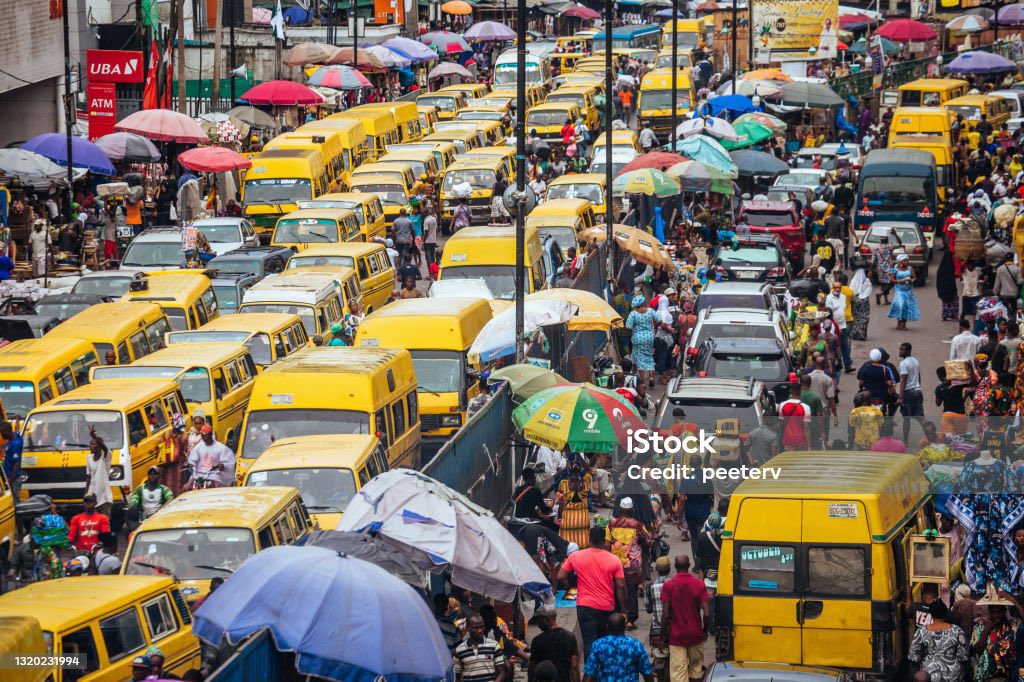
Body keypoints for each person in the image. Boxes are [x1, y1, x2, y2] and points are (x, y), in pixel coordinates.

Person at [557, 526, 627, 659]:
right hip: (606, 607)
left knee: (589, 642)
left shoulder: (575, 556)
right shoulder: (614, 560)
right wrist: (624, 609)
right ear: (604, 541)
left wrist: (572, 584)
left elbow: (561, 576)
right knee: (604, 641)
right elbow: (621, 586)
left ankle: (590, 669)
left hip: (584, 606)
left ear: (589, 539)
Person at [661, 555, 710, 682]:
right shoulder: (699, 585)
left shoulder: (668, 586)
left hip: (677, 636)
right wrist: (705, 630)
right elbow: (707, 613)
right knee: (696, 671)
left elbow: (665, 614)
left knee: (678, 674)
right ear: (689, 566)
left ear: (675, 566)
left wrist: (662, 636)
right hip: (695, 634)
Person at [607, 497, 652, 628]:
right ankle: (630, 620)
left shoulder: (611, 524)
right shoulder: (637, 525)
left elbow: (607, 543)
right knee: (632, 590)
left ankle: (618, 616)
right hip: (632, 564)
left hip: (615, 563)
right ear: (632, 510)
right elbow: (648, 540)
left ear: (620, 510)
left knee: (617, 588)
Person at [908, 599, 969, 682]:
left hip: (929, 675)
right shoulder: (957, 630)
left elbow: (913, 656)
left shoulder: (922, 631)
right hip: (953, 676)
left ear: (931, 614)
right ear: (946, 613)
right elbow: (963, 656)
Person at [583, 612, 652, 682]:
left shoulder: (598, 644)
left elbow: (589, 672)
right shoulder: (635, 644)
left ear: (607, 626)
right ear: (624, 626)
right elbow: (647, 672)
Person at [529, 604, 581, 682]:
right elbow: (574, 666)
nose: (538, 624)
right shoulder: (570, 637)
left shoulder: (537, 640)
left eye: (539, 620)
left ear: (545, 619)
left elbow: (533, 667)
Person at [454, 614, 506, 682]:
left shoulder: (494, 646)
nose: (480, 630)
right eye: (476, 628)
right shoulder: (459, 650)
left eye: (482, 627)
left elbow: (501, 673)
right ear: (468, 627)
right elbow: (457, 678)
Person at [626, 295, 658, 389]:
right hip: (649, 337)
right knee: (649, 356)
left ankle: (643, 383)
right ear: (643, 302)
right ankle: (651, 377)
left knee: (640, 360)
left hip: (638, 338)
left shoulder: (633, 314)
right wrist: (653, 328)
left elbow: (628, 326)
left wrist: (635, 329)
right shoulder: (650, 311)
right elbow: (659, 319)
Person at [83, 428, 112, 517]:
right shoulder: (88, 458)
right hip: (92, 496)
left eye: (94, 444)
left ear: (99, 446)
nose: (91, 446)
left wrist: (95, 437)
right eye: (91, 444)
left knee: (104, 519)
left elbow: (105, 448)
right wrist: (86, 493)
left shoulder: (105, 456)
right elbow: (88, 476)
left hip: (104, 496)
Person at [899, 342, 924, 442]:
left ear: (908, 351)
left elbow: (903, 380)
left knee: (906, 419)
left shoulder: (903, 363)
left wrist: (900, 397)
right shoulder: (915, 361)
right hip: (917, 392)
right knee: (920, 417)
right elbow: (919, 377)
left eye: (902, 349)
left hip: (908, 393)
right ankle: (932, 438)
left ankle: (905, 442)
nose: (900, 351)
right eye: (900, 349)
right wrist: (918, 387)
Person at [778, 381, 812, 451]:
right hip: (801, 442)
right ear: (800, 391)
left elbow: (782, 423)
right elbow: (806, 427)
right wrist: (808, 445)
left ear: (790, 391)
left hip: (788, 441)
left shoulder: (782, 405)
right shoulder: (806, 407)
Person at [888, 254, 918, 330]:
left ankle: (904, 323)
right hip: (899, 290)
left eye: (907, 261)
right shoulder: (895, 269)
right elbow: (891, 279)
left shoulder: (910, 268)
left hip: (908, 291)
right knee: (901, 305)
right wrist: (899, 281)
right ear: (900, 261)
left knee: (906, 306)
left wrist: (911, 280)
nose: (906, 262)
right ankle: (899, 322)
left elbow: (914, 277)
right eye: (904, 261)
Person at [871, 235, 895, 305]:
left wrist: (870, 270)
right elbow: (900, 243)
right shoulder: (890, 246)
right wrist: (895, 234)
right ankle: (880, 294)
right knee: (892, 282)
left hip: (880, 268)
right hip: (888, 268)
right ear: (887, 240)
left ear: (880, 240)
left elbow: (873, 260)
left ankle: (886, 300)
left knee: (883, 284)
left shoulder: (876, 248)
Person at [936, 251, 959, 321]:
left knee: (945, 301)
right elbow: (952, 276)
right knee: (954, 301)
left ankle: (944, 315)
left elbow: (938, 279)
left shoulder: (941, 267)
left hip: (944, 288)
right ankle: (954, 315)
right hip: (951, 287)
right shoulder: (950, 265)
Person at [1, 423, 21, 500]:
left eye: (2, 432)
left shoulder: (15, 444)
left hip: (14, 479)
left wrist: (11, 480)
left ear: (7, 431)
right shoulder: (11, 440)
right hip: (9, 477)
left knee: (15, 501)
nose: (2, 435)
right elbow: (17, 430)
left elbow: (17, 463)